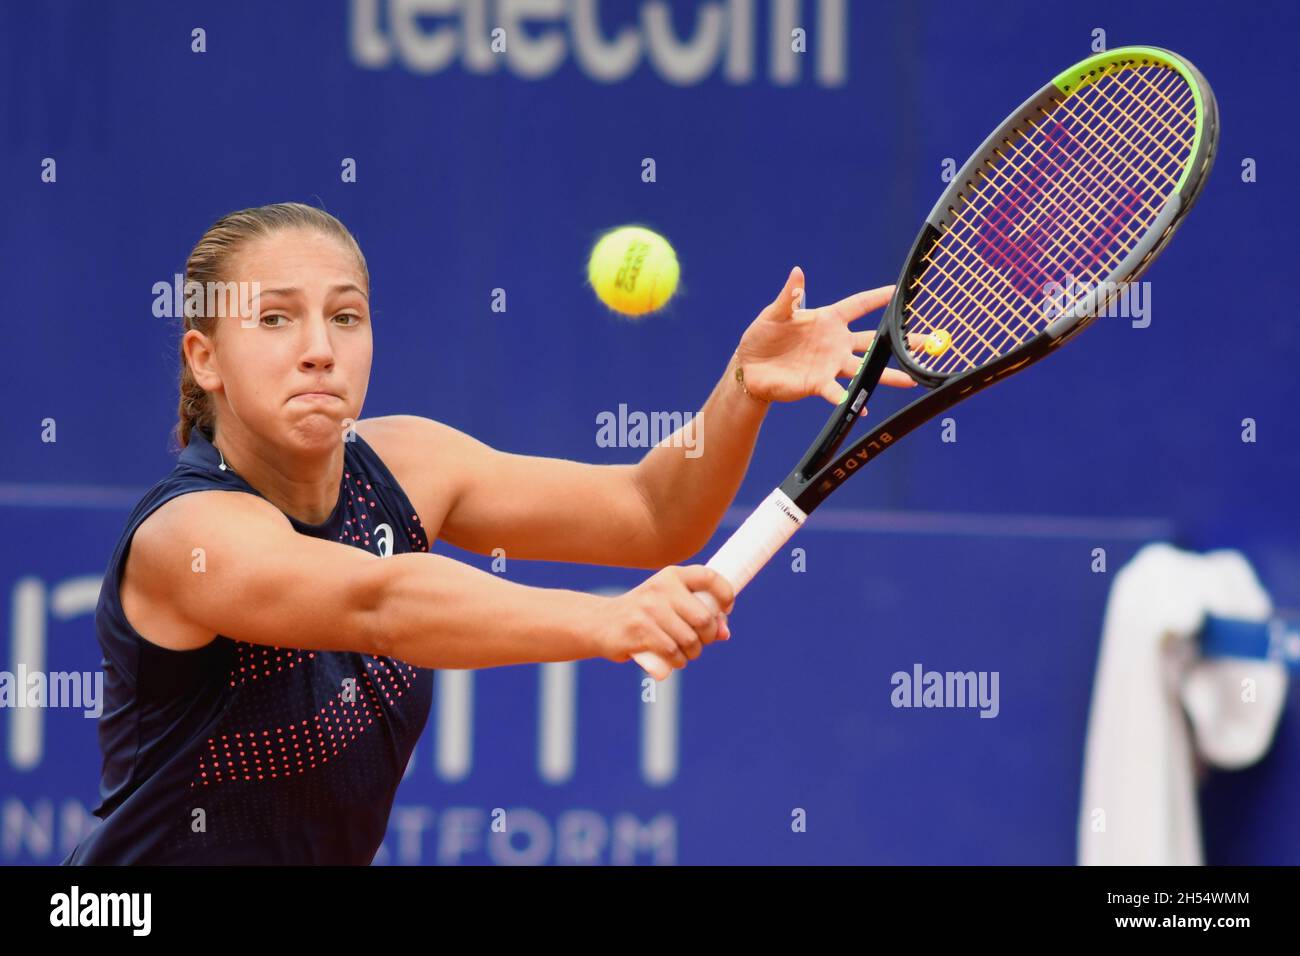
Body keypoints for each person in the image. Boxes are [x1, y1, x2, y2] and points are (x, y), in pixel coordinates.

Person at [63, 202, 907, 864]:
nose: (320, 349)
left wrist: (743, 388)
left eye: (346, 317)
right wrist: (607, 620)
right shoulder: (189, 535)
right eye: (275, 319)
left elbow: (653, 514)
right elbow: (378, 600)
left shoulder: (408, 463)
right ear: (205, 358)